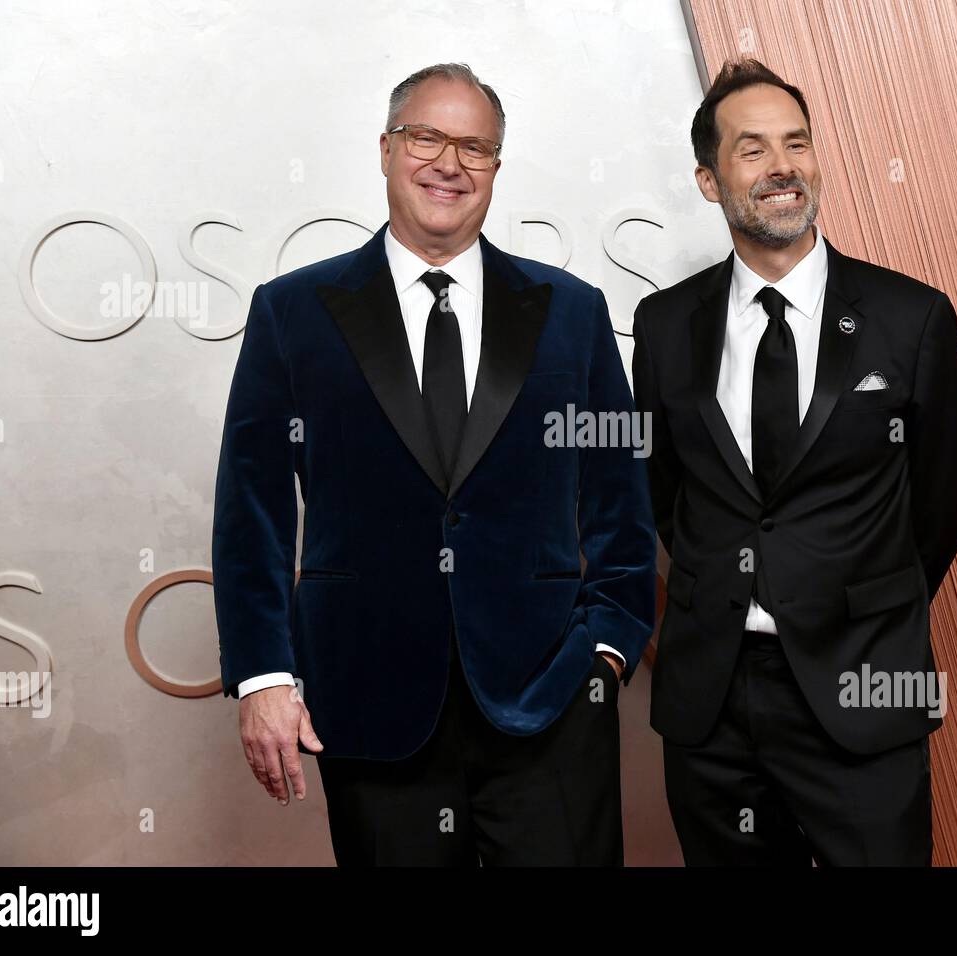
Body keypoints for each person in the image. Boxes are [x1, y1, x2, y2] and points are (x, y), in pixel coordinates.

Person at [212, 63, 656, 866]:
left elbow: (622, 508)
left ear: (495, 166)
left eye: (475, 147)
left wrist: (605, 655)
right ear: (386, 149)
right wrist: (261, 676)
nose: (449, 163)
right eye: (427, 137)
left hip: (550, 704)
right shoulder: (292, 312)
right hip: (371, 707)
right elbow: (254, 510)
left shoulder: (571, 312)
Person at [632, 58, 957, 865]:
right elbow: (661, 492)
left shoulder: (911, 316)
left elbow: (943, 497)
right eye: (752, 150)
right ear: (710, 181)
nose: (782, 166)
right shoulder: (663, 325)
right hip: (711, 701)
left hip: (863, 684)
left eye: (798, 143)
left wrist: (862, 599)